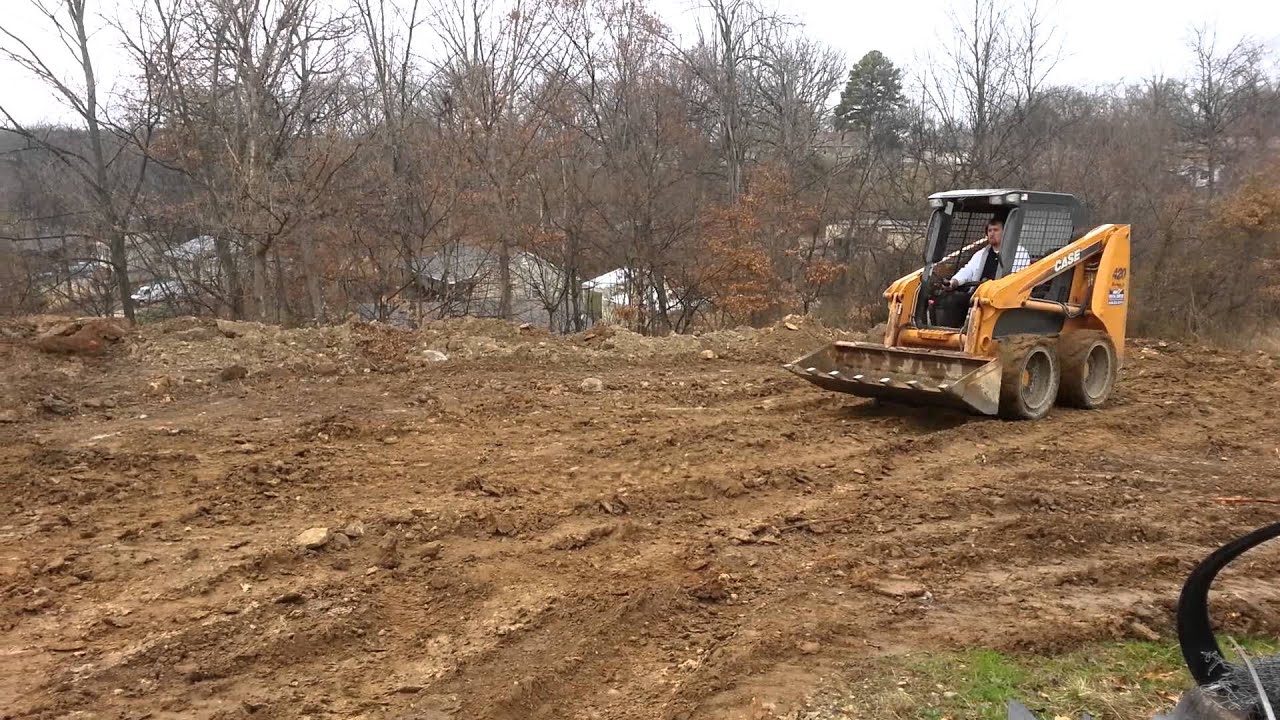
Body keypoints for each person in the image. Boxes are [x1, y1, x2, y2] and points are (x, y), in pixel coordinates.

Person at [947, 218, 1031, 289]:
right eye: (989, 230)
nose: (992, 233)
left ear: (1005, 232)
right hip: (978, 294)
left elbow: (1019, 277)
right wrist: (954, 281)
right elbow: (968, 270)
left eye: (996, 230)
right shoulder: (981, 254)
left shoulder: (1019, 253)